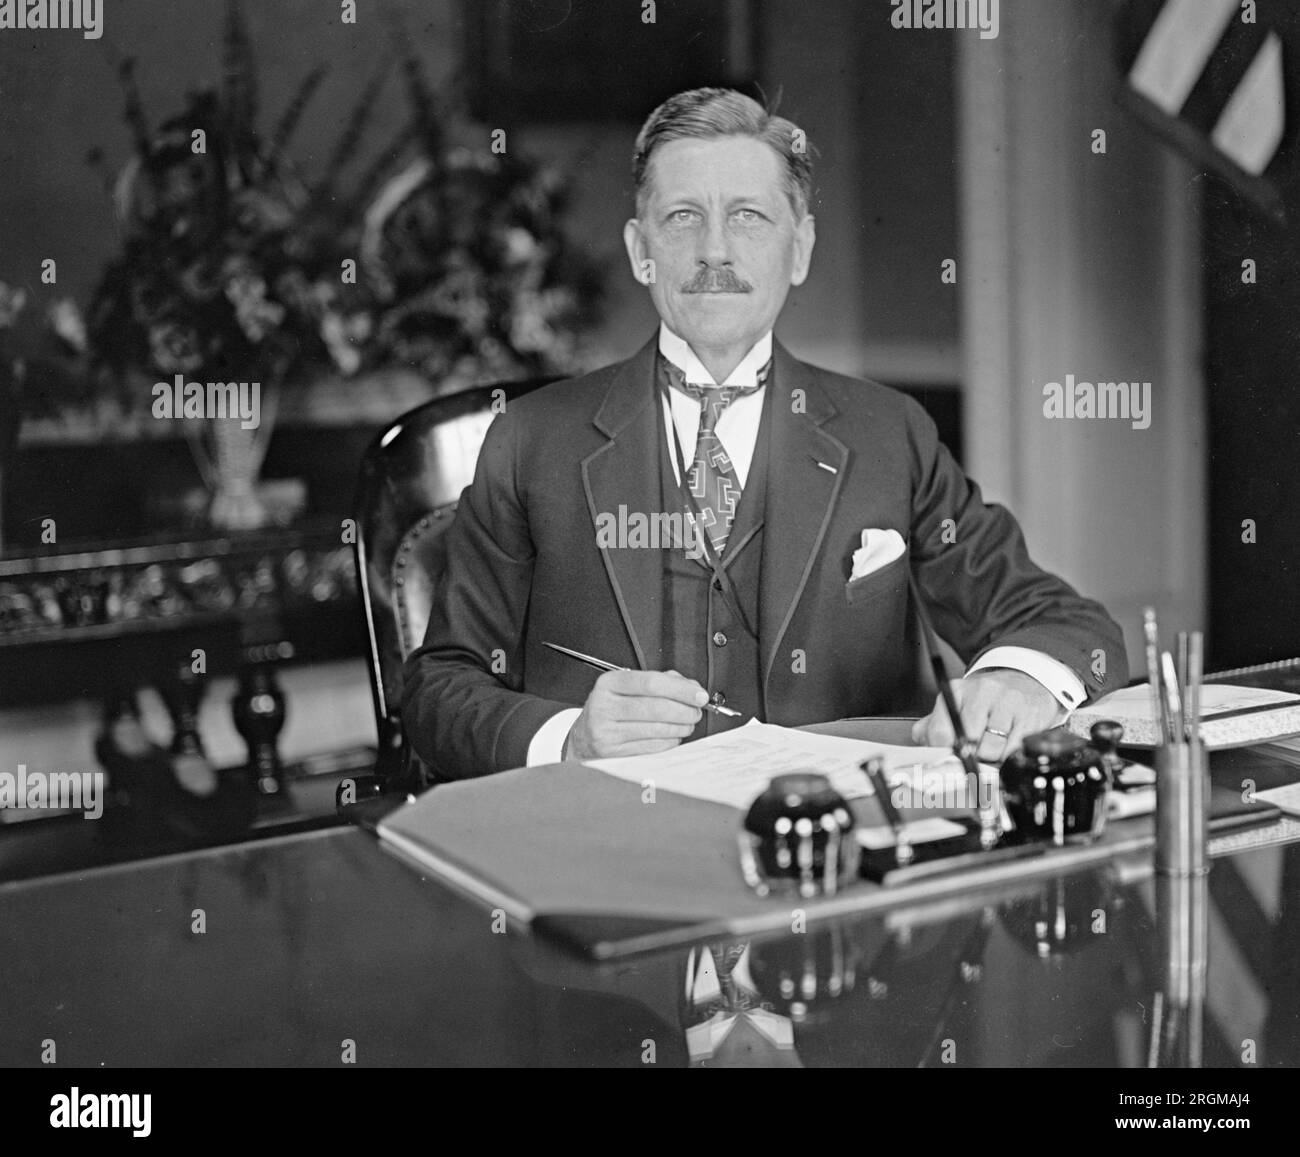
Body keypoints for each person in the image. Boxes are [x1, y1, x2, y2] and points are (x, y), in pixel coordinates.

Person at [402, 87, 1127, 781]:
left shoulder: (888, 434)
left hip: (838, 856)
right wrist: (570, 739)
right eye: (683, 216)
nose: (715, 251)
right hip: (614, 861)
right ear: (638, 249)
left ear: (800, 248)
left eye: (748, 215)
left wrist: (1014, 677)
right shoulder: (531, 442)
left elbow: (1066, 623)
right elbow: (436, 690)